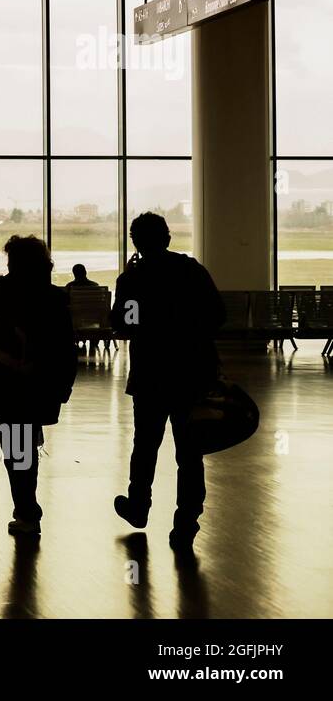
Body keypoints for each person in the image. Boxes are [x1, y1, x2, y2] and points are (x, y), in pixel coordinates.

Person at [111, 212, 224, 552]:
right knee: (190, 452)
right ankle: (186, 521)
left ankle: (139, 505)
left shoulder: (133, 280)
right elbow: (217, 315)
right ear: (168, 238)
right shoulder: (192, 271)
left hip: (151, 375)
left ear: (136, 243)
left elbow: (125, 326)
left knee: (145, 444)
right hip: (191, 373)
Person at [0, 236, 76, 537]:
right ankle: (27, 510)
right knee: (26, 443)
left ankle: (26, 510)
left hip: (3, 385)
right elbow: (65, 348)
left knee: (15, 449)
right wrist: (63, 386)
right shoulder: (54, 299)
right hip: (39, 384)